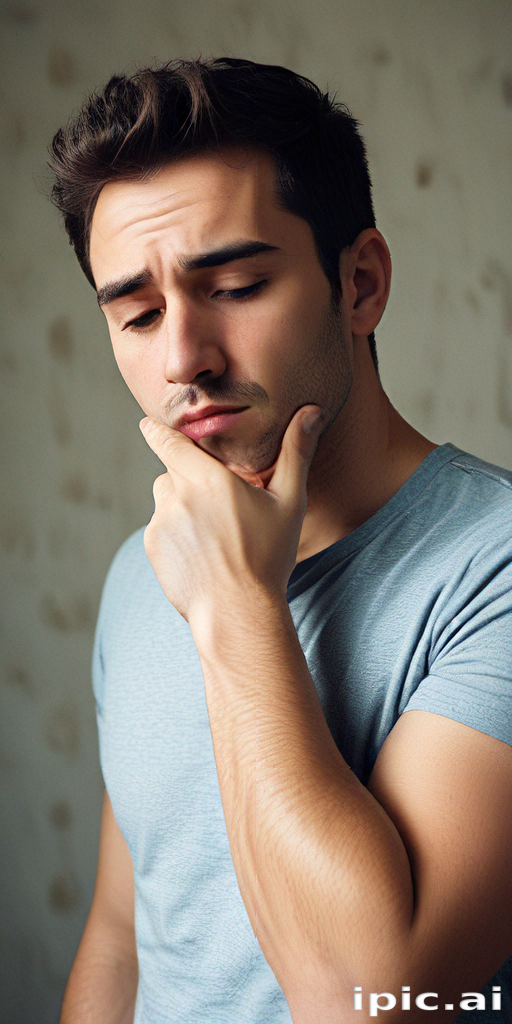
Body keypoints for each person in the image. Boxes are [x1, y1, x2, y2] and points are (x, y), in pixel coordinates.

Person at [49, 58, 512, 1024]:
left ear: (362, 284)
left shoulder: (493, 569)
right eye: (137, 312)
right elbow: (123, 940)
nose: (183, 358)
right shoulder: (142, 573)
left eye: (238, 285)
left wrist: (239, 610)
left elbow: (376, 1003)